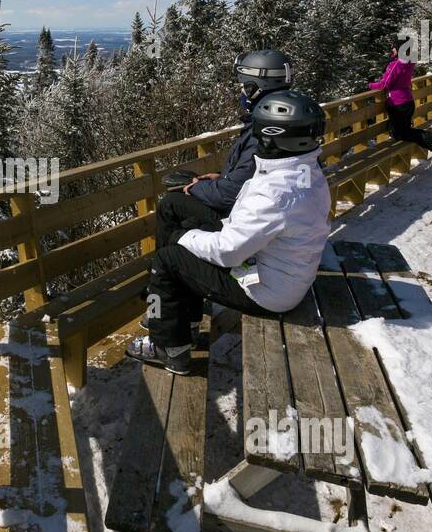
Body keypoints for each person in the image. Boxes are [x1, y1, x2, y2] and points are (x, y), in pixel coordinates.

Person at [127, 89, 332, 374]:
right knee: (176, 209)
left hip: (267, 291)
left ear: (273, 137)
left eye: (259, 133)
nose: (256, 140)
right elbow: (259, 217)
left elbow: (228, 251)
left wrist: (182, 238)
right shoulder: (303, 169)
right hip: (281, 270)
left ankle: (168, 347)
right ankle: (182, 319)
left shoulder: (277, 191)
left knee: (169, 260)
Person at [154, 49, 295, 250]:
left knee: (171, 203)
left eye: (243, 86)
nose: (241, 93)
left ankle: (168, 263)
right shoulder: (284, 120)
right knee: (186, 203)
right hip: (258, 208)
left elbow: (232, 193)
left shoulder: (264, 131)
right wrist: (220, 177)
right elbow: (253, 173)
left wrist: (195, 186)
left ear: (255, 87)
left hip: (244, 215)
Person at [369, 47, 432, 156]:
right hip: (408, 101)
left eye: (394, 47)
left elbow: (384, 84)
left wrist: (369, 85)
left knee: (401, 134)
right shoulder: (409, 61)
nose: (391, 49)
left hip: (398, 104)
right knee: (404, 131)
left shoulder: (396, 64)